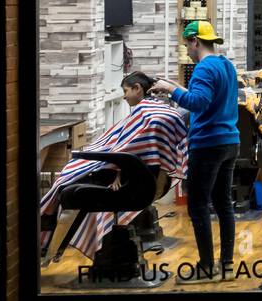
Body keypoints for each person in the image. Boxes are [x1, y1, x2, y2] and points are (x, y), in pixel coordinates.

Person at [39, 71, 188, 261]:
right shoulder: (159, 111)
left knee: (66, 184)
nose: (124, 96)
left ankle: (47, 235)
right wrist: (119, 169)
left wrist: (117, 169)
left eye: (126, 91)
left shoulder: (147, 115)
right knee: (68, 183)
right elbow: (134, 150)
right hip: (141, 180)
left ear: (137, 89)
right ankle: (49, 235)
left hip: (133, 184)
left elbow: (128, 150)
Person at [150, 21, 240, 279]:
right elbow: (209, 99)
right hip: (230, 142)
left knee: (198, 205)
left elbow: (199, 103)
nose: (187, 51)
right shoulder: (226, 65)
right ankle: (227, 265)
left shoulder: (203, 68)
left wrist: (171, 89)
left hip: (208, 144)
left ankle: (206, 267)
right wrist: (175, 88)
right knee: (224, 204)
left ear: (195, 42)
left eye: (187, 45)